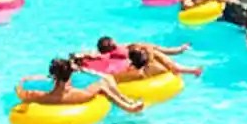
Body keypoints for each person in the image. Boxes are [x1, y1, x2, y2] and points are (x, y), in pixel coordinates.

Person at [14, 57, 144, 113]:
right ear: (70, 74)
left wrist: (22, 81)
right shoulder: (81, 94)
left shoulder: (40, 96)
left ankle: (128, 104)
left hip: (53, 96)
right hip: (72, 97)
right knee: (104, 82)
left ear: (53, 76)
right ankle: (127, 104)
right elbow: (103, 88)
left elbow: (19, 92)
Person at [74, 36, 202, 77]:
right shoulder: (109, 56)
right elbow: (95, 56)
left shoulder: (121, 49)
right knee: (154, 50)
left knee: (151, 48)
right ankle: (180, 53)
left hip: (139, 59)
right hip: (142, 62)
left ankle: (179, 51)